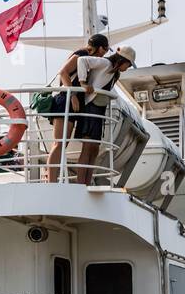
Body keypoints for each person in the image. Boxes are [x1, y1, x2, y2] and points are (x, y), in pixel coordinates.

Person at [59, 46, 136, 185]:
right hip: (91, 107)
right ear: (122, 60)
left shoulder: (114, 72)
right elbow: (82, 60)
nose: (128, 67)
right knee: (88, 146)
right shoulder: (106, 63)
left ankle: (86, 181)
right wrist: (83, 82)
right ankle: (82, 183)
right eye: (128, 64)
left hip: (98, 109)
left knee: (94, 148)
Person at [45, 33, 110, 182]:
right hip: (65, 101)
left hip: (73, 104)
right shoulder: (82, 54)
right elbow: (63, 72)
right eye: (105, 50)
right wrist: (73, 94)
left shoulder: (90, 59)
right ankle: (51, 182)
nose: (104, 54)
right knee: (60, 143)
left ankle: (53, 180)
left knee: (63, 143)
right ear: (100, 48)